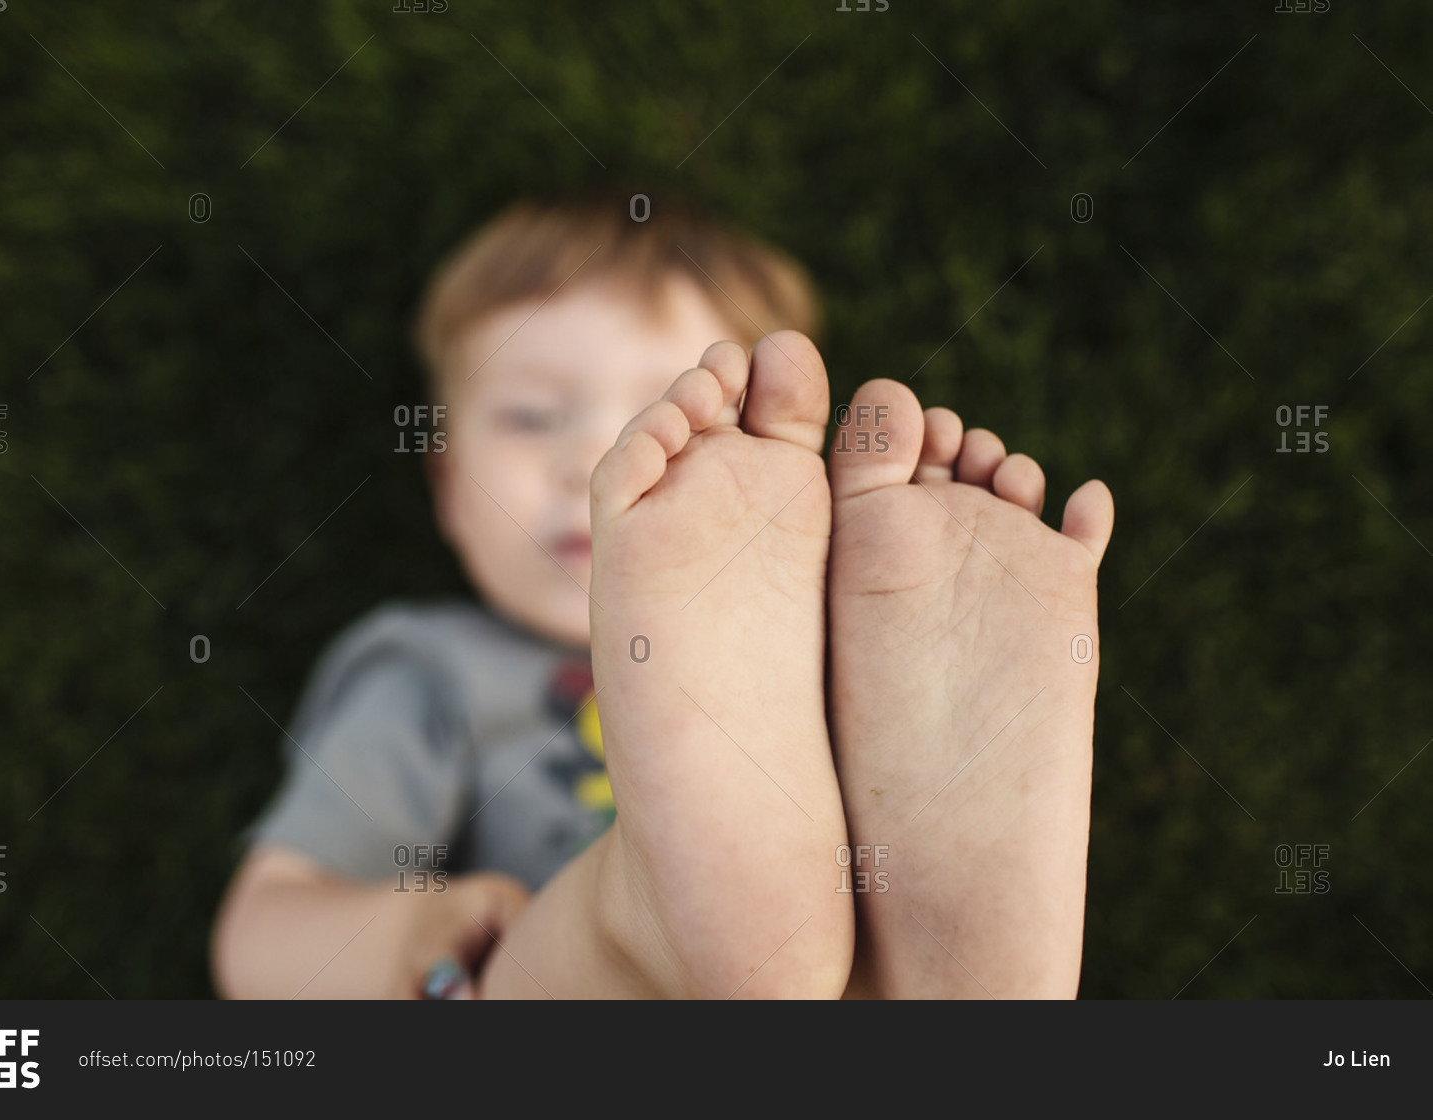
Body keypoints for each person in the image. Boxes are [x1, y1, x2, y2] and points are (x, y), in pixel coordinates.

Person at [210, 197, 1113, 999]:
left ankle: (918, 964)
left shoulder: (835, 665)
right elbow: (262, 934)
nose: (589, 460)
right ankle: (641, 934)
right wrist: (411, 936)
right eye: (531, 416)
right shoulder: (435, 668)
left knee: (843, 921)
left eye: (671, 420)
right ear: (447, 485)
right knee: (555, 961)